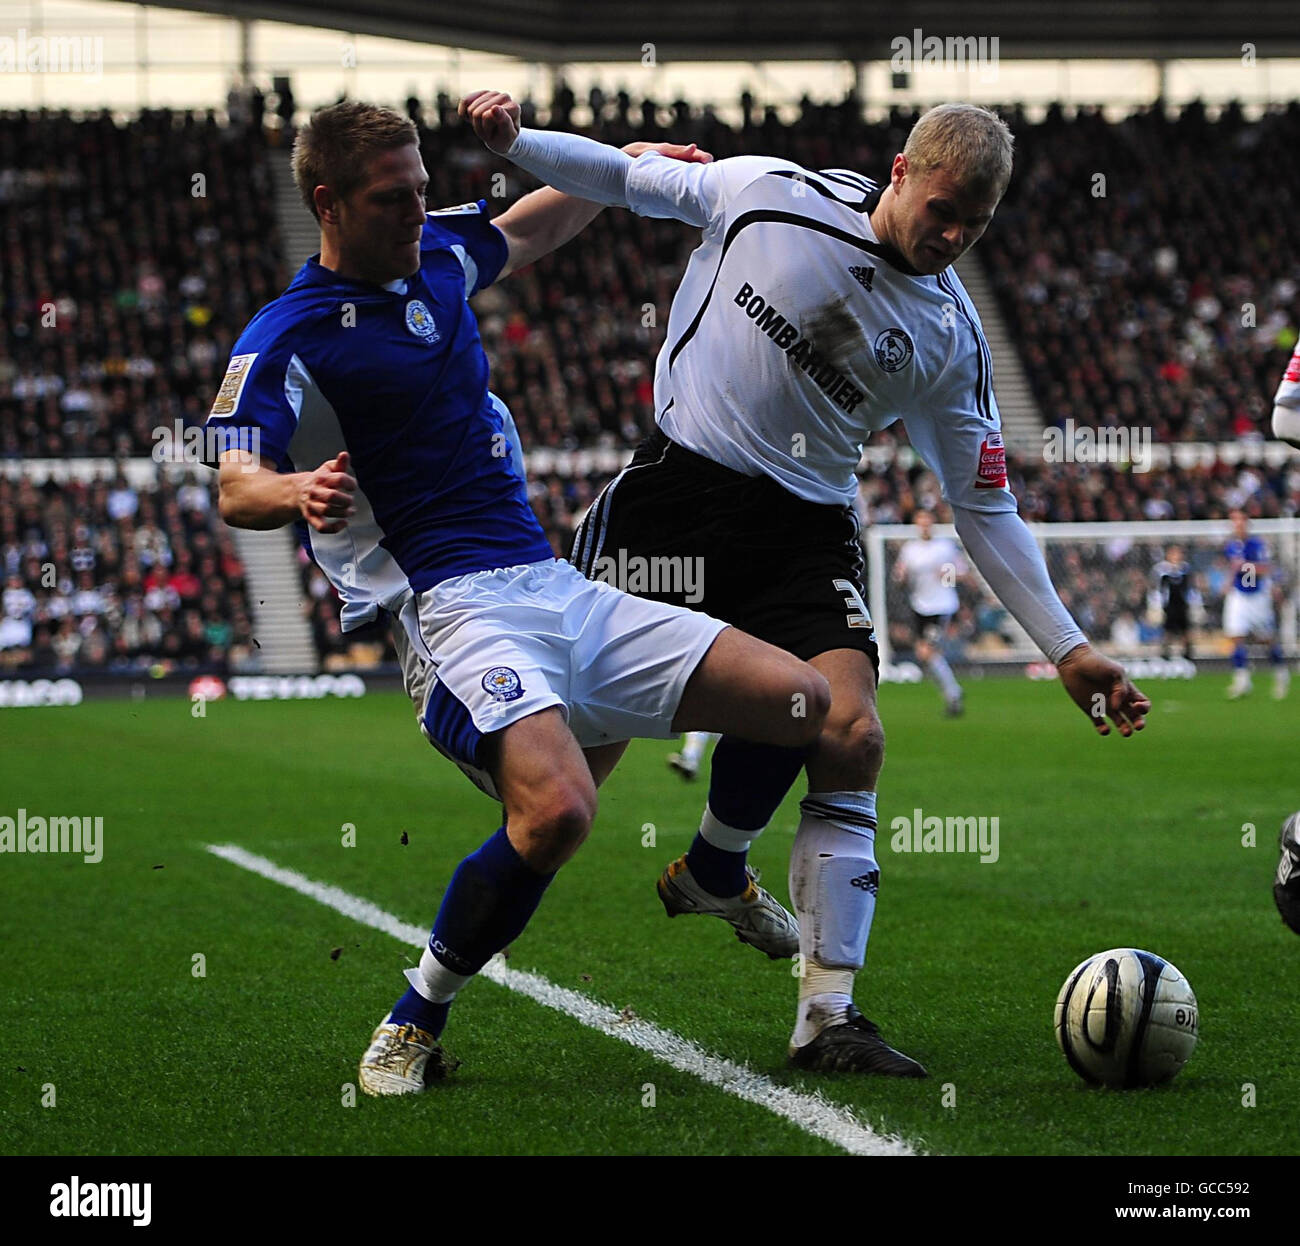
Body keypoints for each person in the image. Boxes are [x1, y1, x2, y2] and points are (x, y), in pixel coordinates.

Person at [463, 91, 1151, 1077]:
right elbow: (619, 177)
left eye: (975, 225)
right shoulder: (764, 196)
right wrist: (516, 143)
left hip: (803, 531)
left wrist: (1069, 648)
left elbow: (982, 505)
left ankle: (827, 1013)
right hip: (674, 502)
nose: (952, 236)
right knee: (562, 783)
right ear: (901, 172)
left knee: (848, 727)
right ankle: (437, 984)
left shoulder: (952, 339)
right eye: (942, 209)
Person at [206, 100, 831, 1096]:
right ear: (327, 201)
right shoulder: (289, 334)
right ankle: (414, 1018)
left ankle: (714, 869)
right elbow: (234, 480)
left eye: (420, 187)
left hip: (555, 585)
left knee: (805, 702)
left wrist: (625, 165)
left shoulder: (440, 253)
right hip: (453, 609)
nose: (417, 209)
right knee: (558, 817)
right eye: (390, 198)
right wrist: (296, 487)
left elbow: (531, 224)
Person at [891, 509, 969, 714]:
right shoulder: (910, 549)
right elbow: (901, 576)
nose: (924, 524)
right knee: (924, 654)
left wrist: (947, 575)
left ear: (932, 522)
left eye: (927, 519)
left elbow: (961, 572)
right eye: (920, 520)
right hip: (920, 605)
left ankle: (953, 693)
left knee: (927, 651)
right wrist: (902, 577)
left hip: (941, 605)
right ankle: (953, 691)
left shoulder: (944, 547)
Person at [1222, 509, 1289, 700]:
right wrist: (1228, 582)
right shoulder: (1230, 545)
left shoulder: (1257, 544)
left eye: (1239, 520)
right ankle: (1242, 680)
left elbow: (1265, 568)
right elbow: (1233, 568)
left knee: (1266, 639)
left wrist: (1246, 568)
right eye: (1233, 521)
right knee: (1235, 636)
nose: (1236, 524)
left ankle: (1280, 673)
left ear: (1246, 523)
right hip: (1238, 596)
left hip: (1257, 596)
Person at [1151, 544, 1197, 661]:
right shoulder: (1162, 571)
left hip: (1182, 605)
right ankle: (1165, 655)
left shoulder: (1186, 569)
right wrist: (1157, 605)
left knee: (1185, 630)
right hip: (1169, 606)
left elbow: (1190, 589)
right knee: (1168, 631)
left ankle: (1187, 655)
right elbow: (1158, 589)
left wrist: (1193, 603)